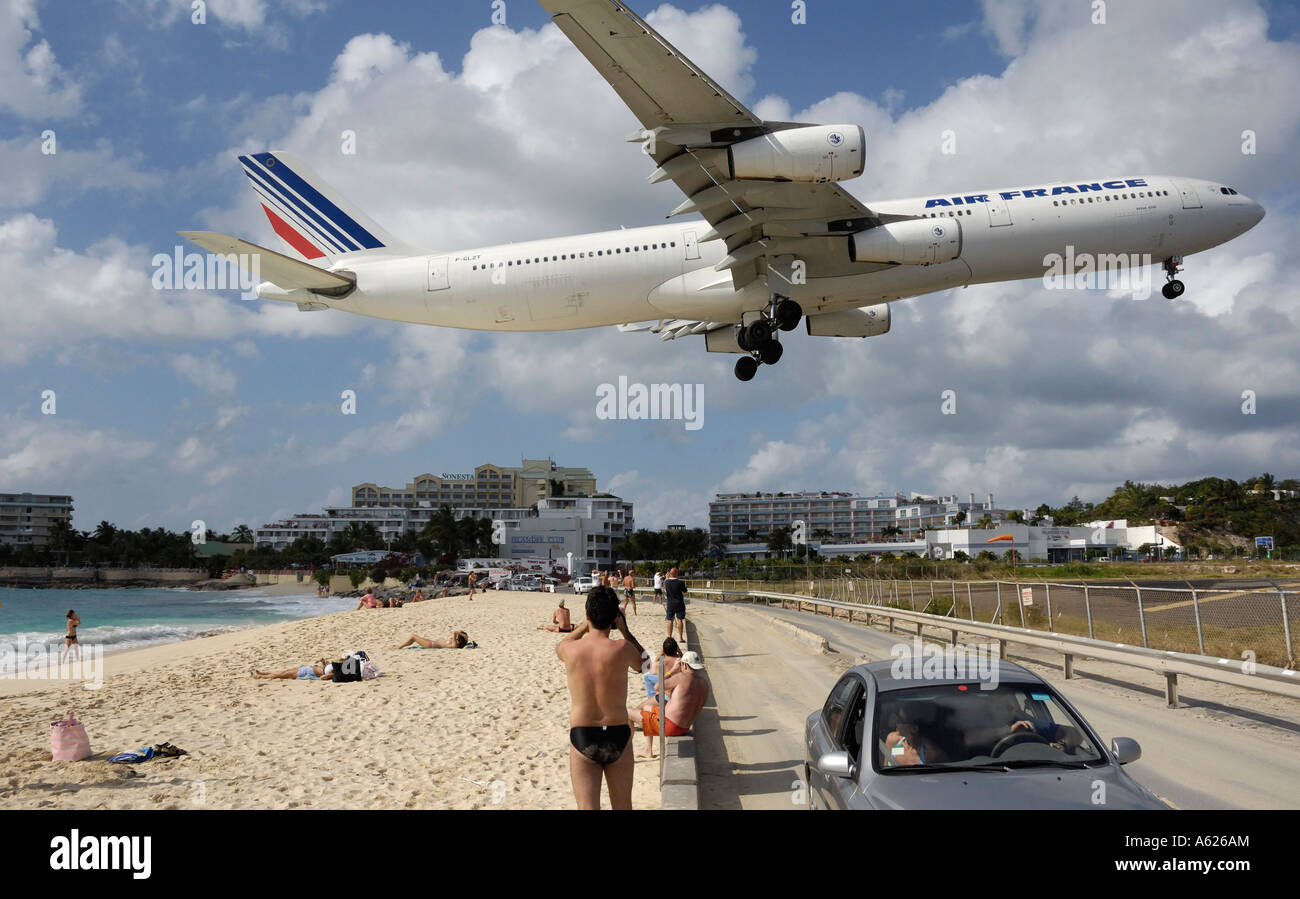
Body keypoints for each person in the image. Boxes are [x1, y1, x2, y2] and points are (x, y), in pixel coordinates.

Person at [555, 586, 646, 810]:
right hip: (617, 733)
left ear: (587, 615)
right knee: (623, 805)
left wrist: (585, 625)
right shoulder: (623, 648)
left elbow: (560, 646)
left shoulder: (572, 650)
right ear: (615, 617)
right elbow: (645, 664)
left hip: (583, 734)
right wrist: (624, 630)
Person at [630, 650, 708, 758]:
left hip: (669, 726)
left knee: (628, 712)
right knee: (647, 708)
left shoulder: (682, 677)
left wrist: (672, 670)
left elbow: (657, 686)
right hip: (684, 727)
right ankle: (648, 749)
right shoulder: (704, 684)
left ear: (684, 665)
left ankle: (626, 752)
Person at [881, 704, 948, 767]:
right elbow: (885, 769)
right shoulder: (892, 740)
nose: (895, 722)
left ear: (914, 729)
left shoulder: (932, 753)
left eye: (900, 720)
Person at [251, 658, 338, 681]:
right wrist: (323, 662)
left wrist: (331, 674)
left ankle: (259, 677)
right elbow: (324, 668)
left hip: (306, 672)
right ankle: (263, 673)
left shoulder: (334, 673)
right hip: (307, 668)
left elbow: (323, 677)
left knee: (280, 675)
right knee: (283, 671)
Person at [662, 567, 687, 642]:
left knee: (670, 620)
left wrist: (667, 578)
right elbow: (685, 591)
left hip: (670, 603)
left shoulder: (666, 582)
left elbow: (664, 588)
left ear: (670, 573)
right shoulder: (680, 582)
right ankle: (680, 638)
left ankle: (669, 636)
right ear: (676, 573)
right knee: (680, 620)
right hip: (679, 603)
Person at [393, 631, 469, 649]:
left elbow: (455, 632)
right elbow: (455, 634)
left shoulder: (454, 645)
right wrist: (462, 635)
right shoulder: (454, 642)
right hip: (431, 643)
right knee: (414, 638)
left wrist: (461, 634)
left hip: (431, 645)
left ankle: (399, 647)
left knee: (413, 637)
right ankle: (400, 647)